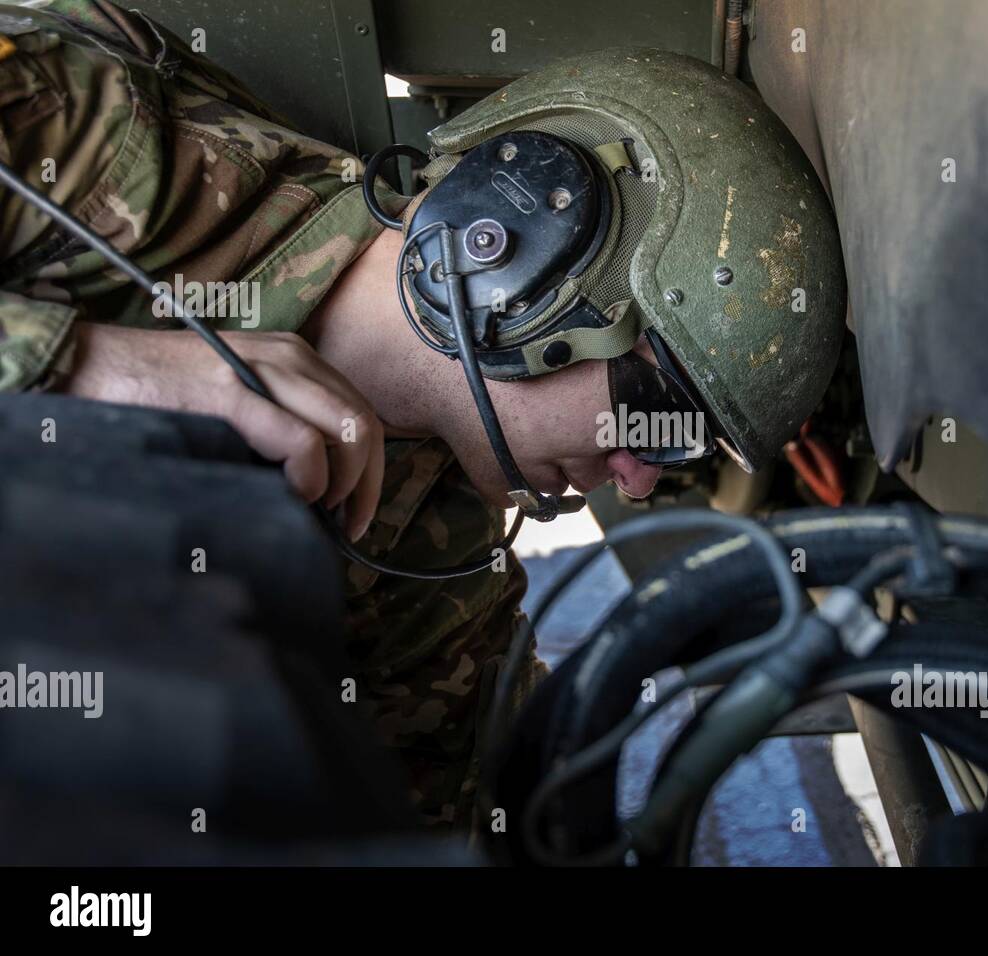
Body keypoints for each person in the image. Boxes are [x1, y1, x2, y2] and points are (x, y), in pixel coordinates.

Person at [0, 0, 845, 828]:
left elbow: (477, 812)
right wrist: (80, 366)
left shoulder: (438, 571)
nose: (641, 473)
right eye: (658, 406)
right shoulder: (102, 133)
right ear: (516, 253)